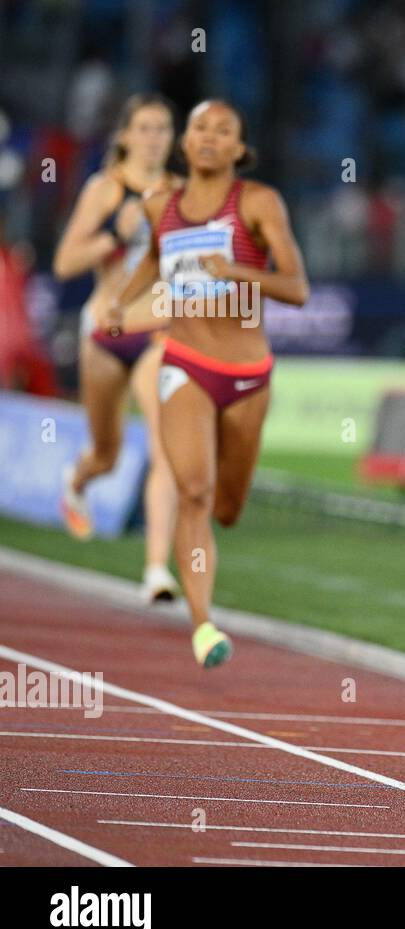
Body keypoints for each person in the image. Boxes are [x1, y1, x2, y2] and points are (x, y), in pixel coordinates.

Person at [102, 99, 309, 667]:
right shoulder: (158, 205)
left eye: (225, 130)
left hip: (246, 376)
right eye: (200, 128)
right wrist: (122, 299)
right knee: (192, 491)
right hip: (185, 363)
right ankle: (203, 625)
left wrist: (238, 273)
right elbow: (153, 258)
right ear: (185, 144)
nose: (211, 136)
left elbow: (296, 287)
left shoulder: (259, 203)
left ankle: (224, 513)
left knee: (227, 506)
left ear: (240, 150)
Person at [53, 93, 182, 602]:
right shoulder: (105, 190)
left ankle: (155, 570)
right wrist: (114, 234)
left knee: (164, 447)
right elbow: (64, 263)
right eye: (145, 128)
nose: (154, 138)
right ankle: (78, 478)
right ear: (125, 135)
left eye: (163, 128)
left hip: (156, 335)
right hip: (106, 335)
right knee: (107, 454)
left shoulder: (181, 193)